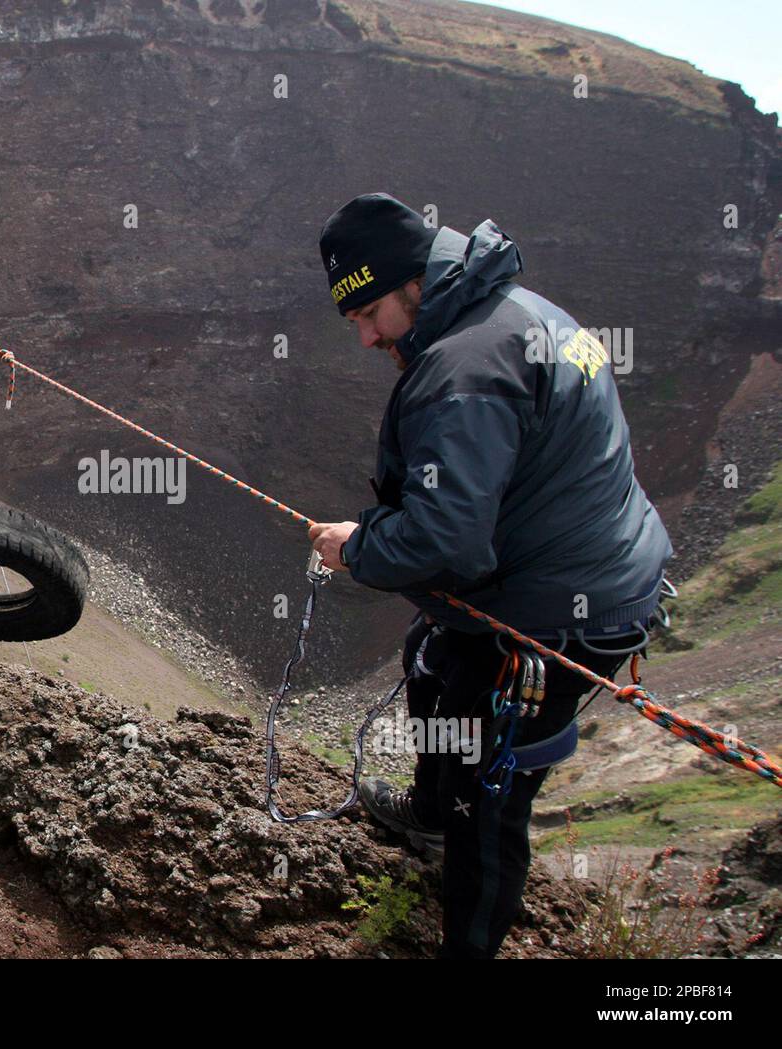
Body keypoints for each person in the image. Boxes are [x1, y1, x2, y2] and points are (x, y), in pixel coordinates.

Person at [307, 193, 672, 959]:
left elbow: (446, 544)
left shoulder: (464, 364)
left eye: (372, 312)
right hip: (578, 571)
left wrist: (357, 545)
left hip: (562, 614)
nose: (369, 337)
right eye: (355, 322)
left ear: (415, 282)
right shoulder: (513, 307)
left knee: (489, 790)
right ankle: (430, 813)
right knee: (430, 659)